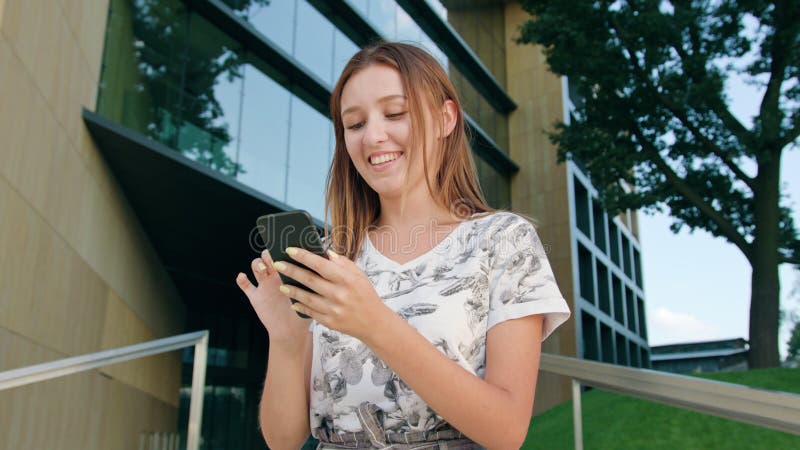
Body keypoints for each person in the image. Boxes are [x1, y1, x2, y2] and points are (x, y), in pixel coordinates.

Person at [235, 41, 571, 450]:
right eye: (354, 125)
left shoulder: (503, 241)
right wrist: (286, 340)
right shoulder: (331, 259)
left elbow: (507, 431)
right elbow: (283, 440)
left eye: (396, 113)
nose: (374, 137)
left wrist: (374, 321)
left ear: (446, 118)